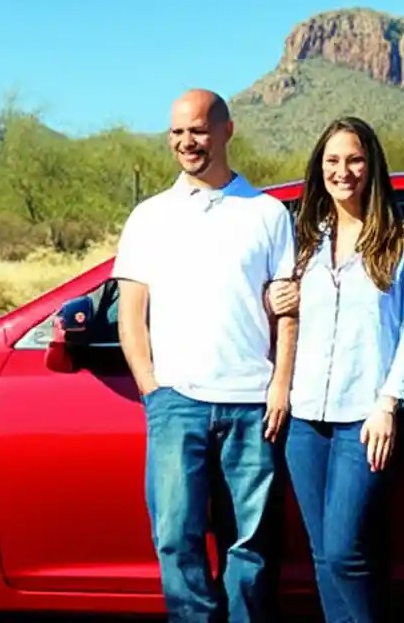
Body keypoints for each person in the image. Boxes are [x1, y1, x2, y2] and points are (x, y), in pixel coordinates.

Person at [111, 88, 299, 622]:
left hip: (252, 405)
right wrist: (152, 387)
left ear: (226, 132)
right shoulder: (149, 217)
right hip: (177, 403)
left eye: (197, 130)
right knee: (175, 538)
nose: (186, 142)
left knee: (253, 546)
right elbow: (132, 314)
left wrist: (280, 386)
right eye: (177, 132)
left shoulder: (266, 213)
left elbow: (287, 311)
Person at [266, 115, 404, 622]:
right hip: (305, 418)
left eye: (355, 160)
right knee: (323, 557)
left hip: (364, 418)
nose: (344, 172)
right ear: (319, 169)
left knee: (345, 552)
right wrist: (277, 298)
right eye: (333, 161)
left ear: (373, 166)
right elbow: (289, 315)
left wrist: (388, 405)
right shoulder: (305, 241)